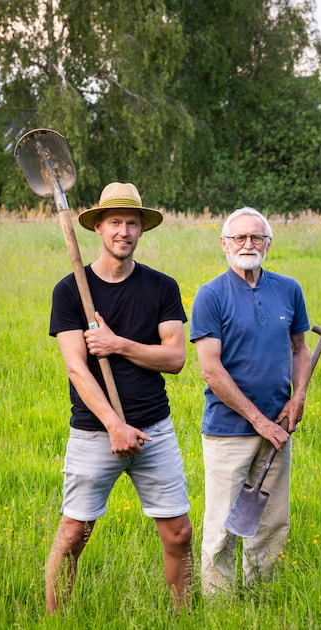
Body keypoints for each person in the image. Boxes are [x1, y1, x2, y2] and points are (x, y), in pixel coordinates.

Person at [46, 182, 192, 613]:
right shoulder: (70, 290)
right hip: (95, 431)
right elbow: (76, 368)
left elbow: (175, 358)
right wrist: (114, 425)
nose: (123, 231)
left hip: (154, 429)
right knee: (73, 534)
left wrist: (117, 344)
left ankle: (183, 617)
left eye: (132, 223)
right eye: (115, 222)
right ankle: (56, 620)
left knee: (179, 534)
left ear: (142, 229)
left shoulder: (161, 287)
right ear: (99, 228)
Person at [190, 206, 311, 596]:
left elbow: (300, 349)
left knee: (271, 523)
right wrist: (259, 421)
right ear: (224, 244)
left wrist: (299, 396)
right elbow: (211, 370)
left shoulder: (288, 289)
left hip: (279, 426)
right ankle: (220, 607)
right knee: (223, 527)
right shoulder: (211, 295)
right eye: (239, 237)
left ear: (268, 244)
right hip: (229, 431)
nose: (248, 244)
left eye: (256, 237)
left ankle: (261, 597)